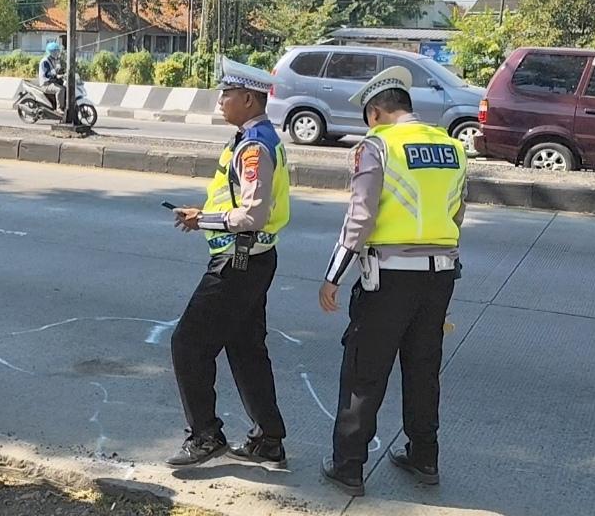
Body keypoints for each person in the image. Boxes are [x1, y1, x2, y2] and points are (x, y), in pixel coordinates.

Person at [317, 66, 467, 497]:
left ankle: (348, 467)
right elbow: (457, 214)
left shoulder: (377, 147)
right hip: (440, 276)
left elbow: (359, 217)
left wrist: (333, 276)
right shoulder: (452, 146)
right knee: (423, 369)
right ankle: (425, 457)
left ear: (377, 112)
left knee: (365, 371)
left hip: (387, 278)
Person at [166, 59, 290, 468]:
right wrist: (202, 213)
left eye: (227, 94)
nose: (221, 100)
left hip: (238, 263)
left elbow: (251, 216)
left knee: (187, 343)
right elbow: (238, 203)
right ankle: (268, 438)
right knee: (246, 349)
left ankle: (205, 436)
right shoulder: (254, 138)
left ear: (249, 99)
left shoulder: (253, 147)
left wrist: (202, 219)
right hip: (254, 258)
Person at [38, 40, 65, 112]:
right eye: (54, 51)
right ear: (50, 52)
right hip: (46, 84)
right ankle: (59, 108)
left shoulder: (53, 60)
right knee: (60, 89)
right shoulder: (45, 61)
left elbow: (57, 70)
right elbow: (47, 74)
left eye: (57, 51)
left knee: (65, 86)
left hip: (51, 82)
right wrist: (57, 76)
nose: (56, 53)